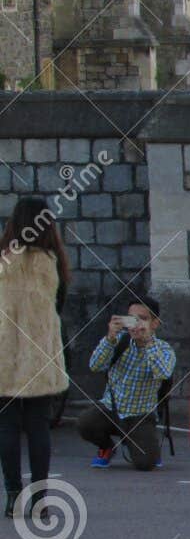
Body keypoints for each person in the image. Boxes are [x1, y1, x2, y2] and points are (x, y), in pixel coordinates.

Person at [1, 196, 70, 518]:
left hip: (4, 352)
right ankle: (40, 497)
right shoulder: (52, 260)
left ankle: (13, 494)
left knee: (7, 426)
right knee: (38, 426)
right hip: (39, 352)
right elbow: (60, 306)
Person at [78, 296, 176, 471]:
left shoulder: (163, 349)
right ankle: (106, 447)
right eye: (132, 318)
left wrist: (147, 342)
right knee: (85, 423)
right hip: (111, 409)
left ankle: (141, 443)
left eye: (143, 319)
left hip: (140, 415)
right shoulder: (119, 341)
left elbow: (163, 372)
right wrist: (109, 338)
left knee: (146, 464)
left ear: (155, 324)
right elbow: (95, 365)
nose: (136, 324)